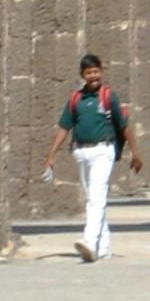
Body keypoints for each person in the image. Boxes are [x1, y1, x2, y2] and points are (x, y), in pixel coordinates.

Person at [48, 55, 133, 261]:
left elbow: (123, 126)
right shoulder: (76, 99)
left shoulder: (108, 96)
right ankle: (104, 247)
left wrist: (135, 152)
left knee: (96, 197)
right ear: (82, 75)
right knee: (93, 199)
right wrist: (51, 154)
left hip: (103, 150)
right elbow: (64, 127)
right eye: (89, 73)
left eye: (96, 71)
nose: (93, 76)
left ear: (101, 72)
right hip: (81, 151)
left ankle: (89, 241)